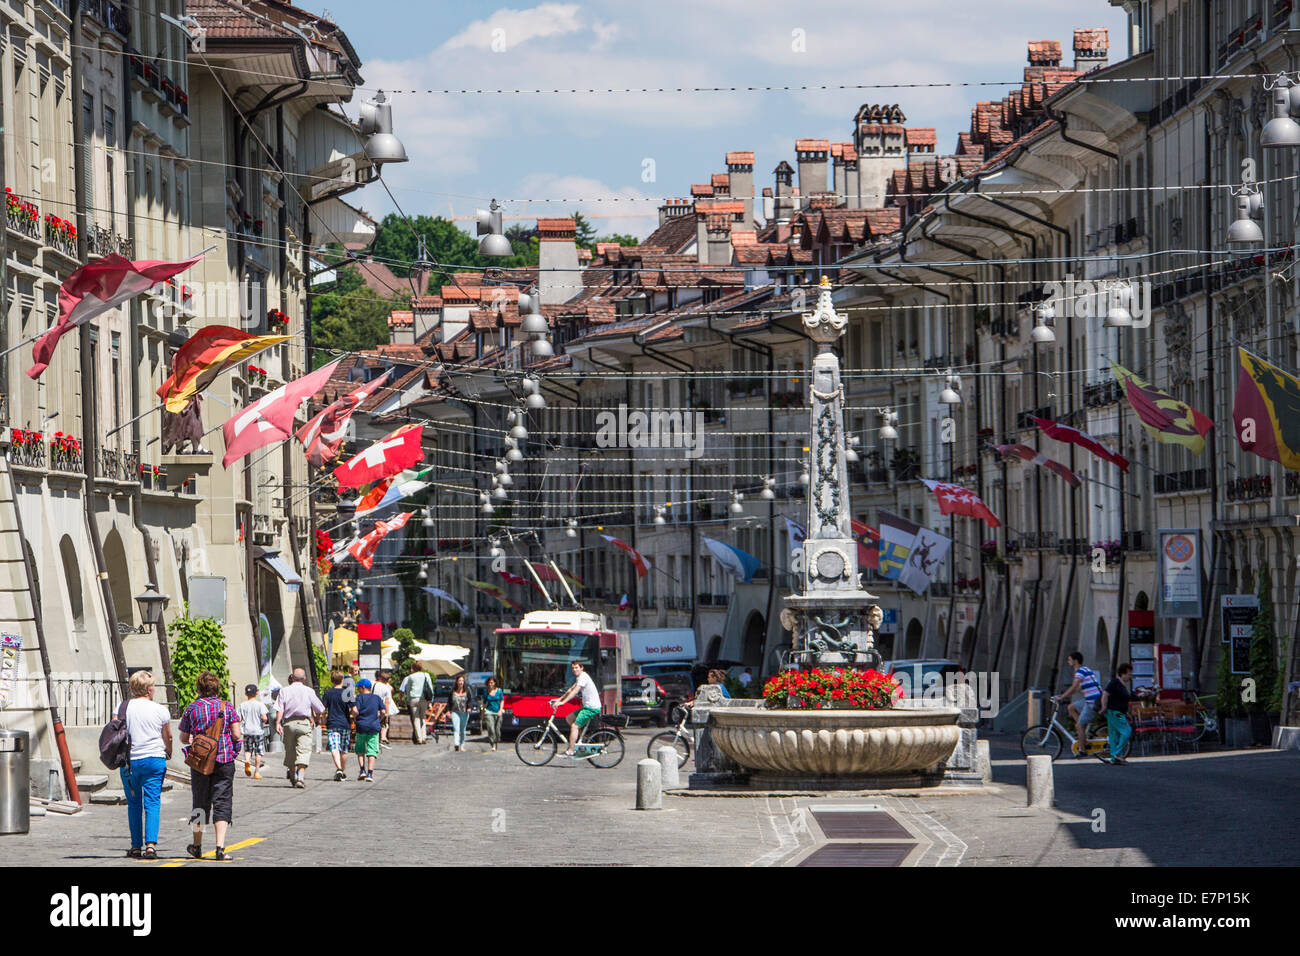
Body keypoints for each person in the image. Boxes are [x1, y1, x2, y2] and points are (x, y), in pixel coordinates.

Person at [178, 671, 242, 861]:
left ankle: (197, 846)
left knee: (200, 802)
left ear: (199, 688)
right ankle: (220, 848)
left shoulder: (191, 709)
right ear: (217, 688)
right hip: (224, 759)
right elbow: (237, 735)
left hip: (201, 762)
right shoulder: (227, 707)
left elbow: (183, 738)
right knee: (222, 801)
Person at [120, 670, 172, 861]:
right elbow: (168, 735)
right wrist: (169, 750)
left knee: (133, 804)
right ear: (149, 689)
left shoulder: (123, 707)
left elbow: (116, 731)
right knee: (152, 802)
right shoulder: (160, 710)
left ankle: (135, 846)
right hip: (154, 760)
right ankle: (150, 845)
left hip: (129, 762)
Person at [275, 667, 325, 787]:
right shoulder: (309, 691)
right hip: (304, 722)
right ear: (304, 678)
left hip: (288, 724)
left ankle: (292, 774)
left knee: (290, 749)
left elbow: (279, 708)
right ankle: (300, 778)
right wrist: (317, 719)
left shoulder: (284, 691)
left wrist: (278, 723)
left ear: (292, 677)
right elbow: (320, 708)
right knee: (304, 750)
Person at [1052, 651, 1102, 758]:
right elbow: (1078, 689)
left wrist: (1061, 697)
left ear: (1075, 661)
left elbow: (1074, 687)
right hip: (1092, 699)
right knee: (1071, 707)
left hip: (1092, 702)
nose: (1068, 661)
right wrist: (1064, 696)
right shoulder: (1086, 669)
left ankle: (1083, 751)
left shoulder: (1080, 672)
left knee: (1079, 725)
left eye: (1069, 659)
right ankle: (1082, 730)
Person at [550, 660, 602, 757]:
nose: (574, 670)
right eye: (573, 668)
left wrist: (562, 703)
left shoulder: (583, 677)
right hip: (586, 707)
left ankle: (571, 750)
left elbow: (575, 692)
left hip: (591, 708)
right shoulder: (579, 677)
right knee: (569, 718)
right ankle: (580, 739)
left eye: (576, 667)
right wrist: (560, 698)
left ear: (581, 668)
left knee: (574, 726)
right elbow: (570, 690)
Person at [1100, 662, 1135, 765]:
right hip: (1114, 712)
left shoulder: (1122, 685)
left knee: (1114, 735)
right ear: (1122, 674)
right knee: (1127, 731)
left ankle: (1113, 758)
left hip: (1118, 712)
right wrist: (1104, 706)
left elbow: (1122, 700)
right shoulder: (1115, 682)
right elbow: (1105, 694)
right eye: (1129, 674)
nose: (1130, 676)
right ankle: (1117, 753)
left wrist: (1127, 713)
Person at [322, 670, 352, 782]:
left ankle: (339, 769)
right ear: (342, 680)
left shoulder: (328, 693)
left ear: (331, 680)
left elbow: (322, 709)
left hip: (332, 723)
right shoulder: (347, 693)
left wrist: (323, 719)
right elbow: (354, 710)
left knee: (334, 746)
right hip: (345, 723)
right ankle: (342, 771)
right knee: (344, 749)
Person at [351, 679, 384, 780]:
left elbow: (355, 711)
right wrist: (379, 719)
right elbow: (383, 711)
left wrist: (354, 717)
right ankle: (370, 773)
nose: (358, 690)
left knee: (360, 749)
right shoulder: (377, 698)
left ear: (363, 687)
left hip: (361, 726)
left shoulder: (359, 698)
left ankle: (362, 771)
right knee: (372, 750)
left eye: (359, 688)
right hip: (374, 726)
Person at [238, 684, 268, 780]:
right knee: (258, 752)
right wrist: (264, 720)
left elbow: (239, 718)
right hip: (258, 731)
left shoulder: (242, 705)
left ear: (246, 693)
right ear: (257, 693)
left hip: (247, 731)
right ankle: (257, 772)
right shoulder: (260, 705)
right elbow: (264, 717)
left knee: (247, 750)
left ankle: (247, 761)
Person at [400, 662, 433, 745]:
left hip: (414, 698)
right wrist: (430, 701)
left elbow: (409, 689)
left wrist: (407, 700)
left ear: (413, 668)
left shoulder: (411, 677)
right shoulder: (426, 675)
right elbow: (430, 689)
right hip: (424, 698)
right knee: (423, 717)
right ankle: (424, 736)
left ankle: (419, 738)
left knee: (416, 718)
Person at [446, 674, 471, 752]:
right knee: (456, 729)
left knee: (462, 730)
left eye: (462, 681)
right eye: (459, 681)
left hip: (464, 712)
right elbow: (449, 702)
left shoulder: (467, 691)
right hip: (455, 712)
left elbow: (470, 700)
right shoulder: (452, 692)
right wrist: (448, 711)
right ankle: (456, 744)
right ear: (457, 682)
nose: (461, 682)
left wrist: (469, 707)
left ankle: (462, 745)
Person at [372, 669, 395, 749]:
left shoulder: (372, 683)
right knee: (382, 724)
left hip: (371, 707)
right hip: (380, 708)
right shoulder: (386, 688)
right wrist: (386, 714)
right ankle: (382, 739)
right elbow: (387, 702)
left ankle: (373, 741)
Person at [482, 676, 504, 752]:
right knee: (491, 728)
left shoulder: (499, 691)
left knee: (497, 730)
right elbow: (484, 703)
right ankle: (493, 744)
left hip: (498, 712)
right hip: (489, 712)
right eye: (489, 683)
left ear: (495, 683)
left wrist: (500, 710)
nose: (490, 684)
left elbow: (502, 701)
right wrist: (482, 714)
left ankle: (496, 740)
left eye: (492, 682)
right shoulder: (486, 692)